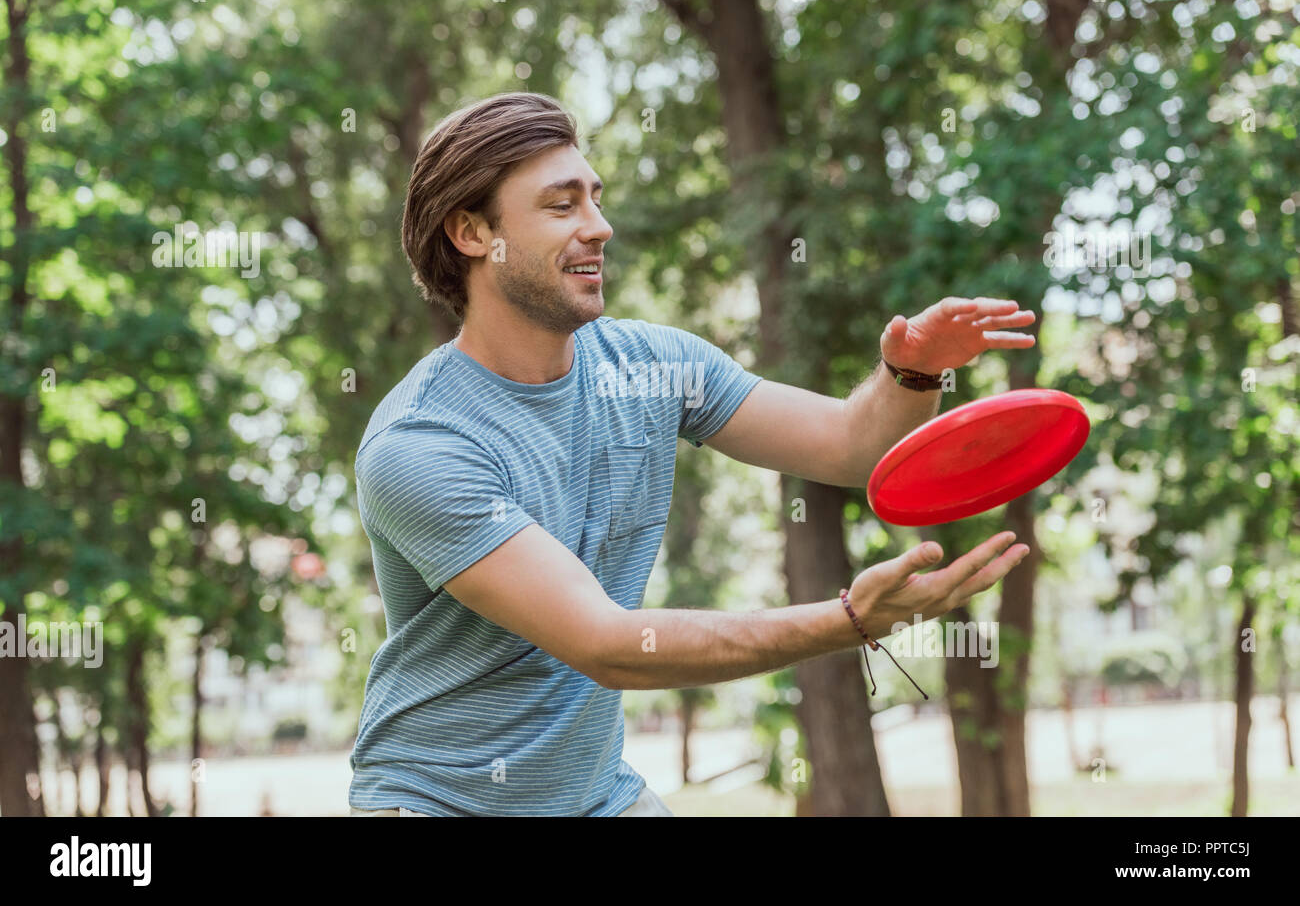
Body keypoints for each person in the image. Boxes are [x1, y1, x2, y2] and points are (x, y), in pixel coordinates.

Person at [346, 92, 1036, 817]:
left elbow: (851, 445)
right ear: (473, 232)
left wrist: (913, 373)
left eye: (596, 198)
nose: (599, 226)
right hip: (441, 803)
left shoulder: (653, 365)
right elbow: (606, 642)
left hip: (595, 795)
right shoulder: (422, 444)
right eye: (562, 205)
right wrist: (847, 620)